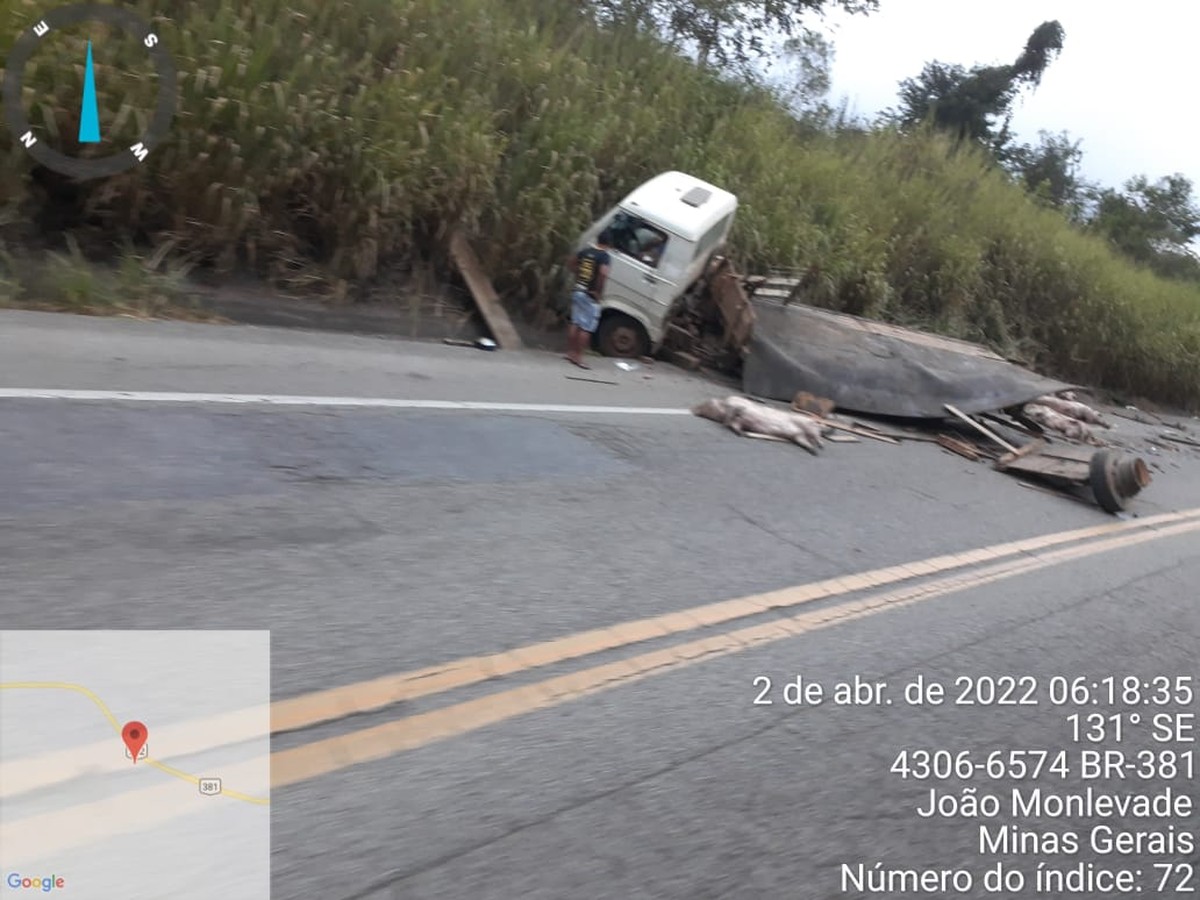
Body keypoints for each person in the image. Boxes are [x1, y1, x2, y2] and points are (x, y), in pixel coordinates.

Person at [563, 230, 612, 369]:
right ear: (608, 244)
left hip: (578, 289)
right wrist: (598, 292)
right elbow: (602, 273)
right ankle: (579, 357)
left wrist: (578, 275)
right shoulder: (604, 256)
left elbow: (571, 262)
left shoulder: (586, 251)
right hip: (590, 294)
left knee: (575, 322)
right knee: (586, 327)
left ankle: (570, 353)